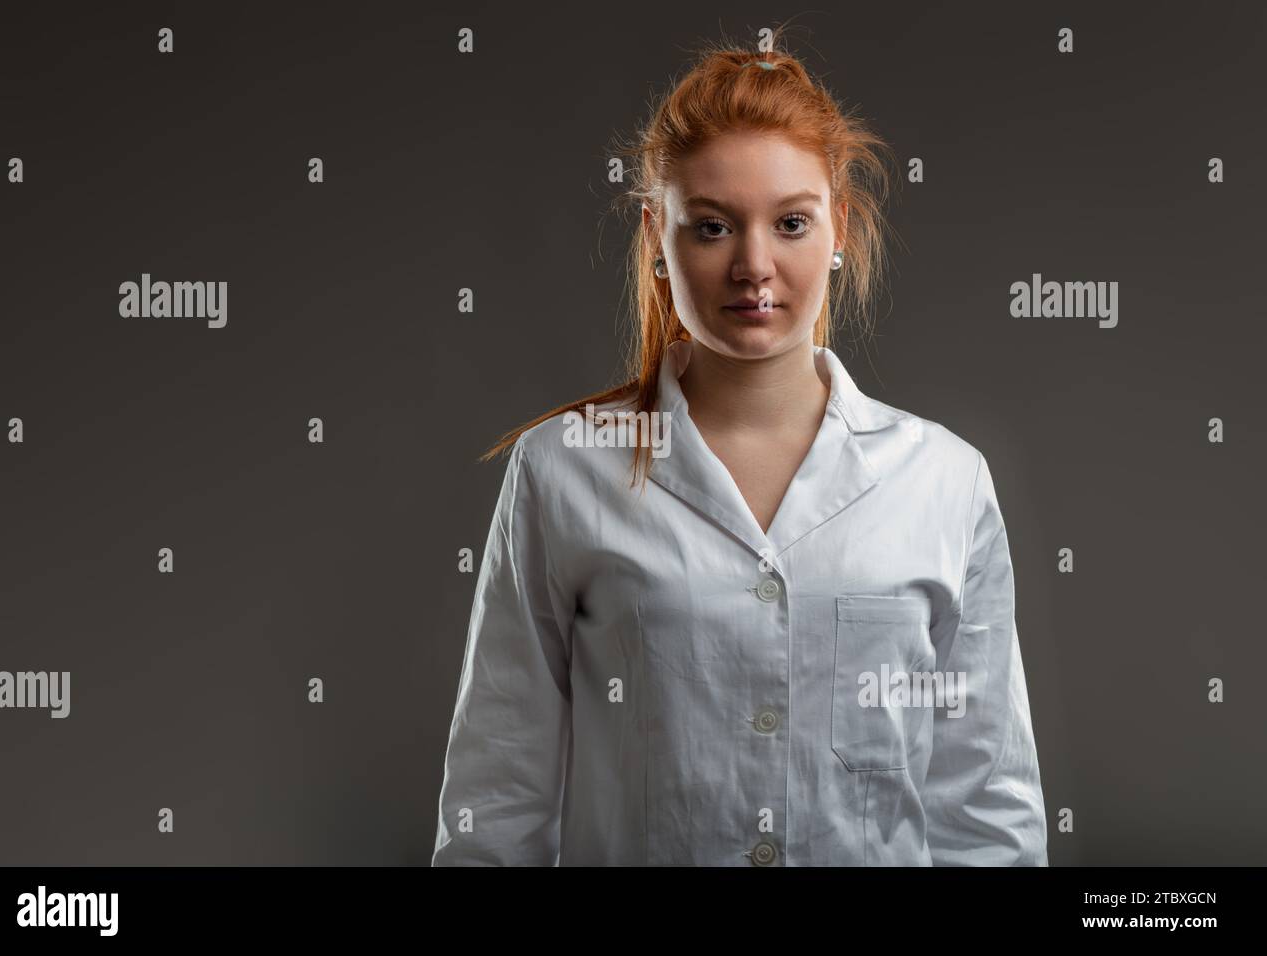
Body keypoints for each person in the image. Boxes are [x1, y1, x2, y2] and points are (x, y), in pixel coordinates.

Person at [431, 39, 1048, 866]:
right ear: (658, 235)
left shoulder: (944, 481)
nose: (754, 266)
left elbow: (986, 809)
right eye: (713, 226)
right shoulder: (562, 470)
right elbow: (498, 800)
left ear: (839, 227)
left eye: (791, 223)